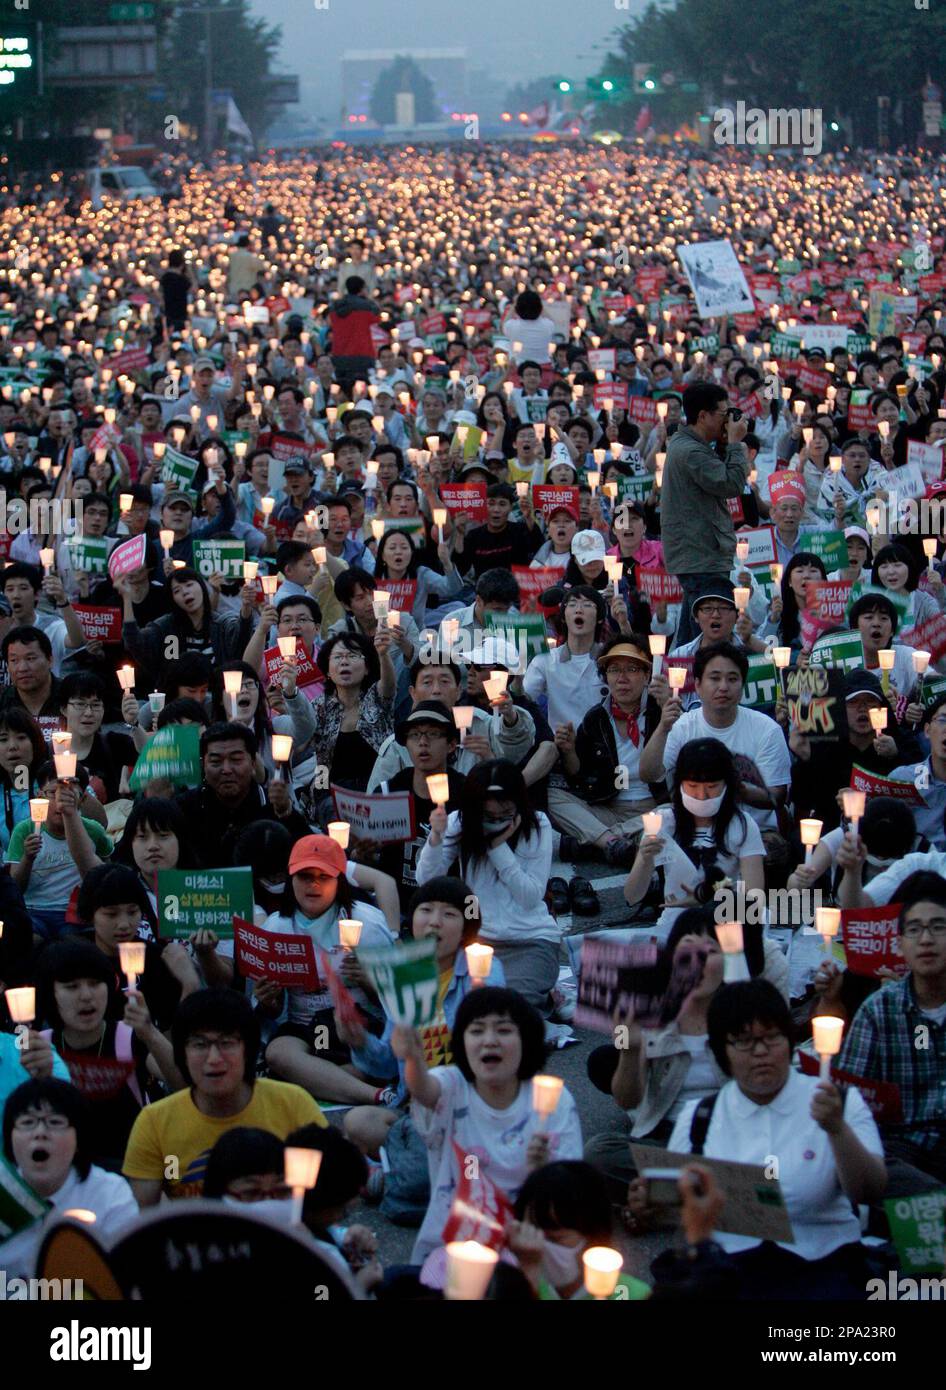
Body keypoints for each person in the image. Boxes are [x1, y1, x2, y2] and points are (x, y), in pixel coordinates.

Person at [628, 979, 887, 1300]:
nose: (761, 1051)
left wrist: (837, 1130)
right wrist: (650, 1205)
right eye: (744, 1041)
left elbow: (871, 1189)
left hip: (823, 1264)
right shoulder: (700, 1118)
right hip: (728, 1269)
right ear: (722, 1051)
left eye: (772, 1037)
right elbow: (683, 1208)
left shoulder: (837, 1103)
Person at [393, 985, 582, 1265]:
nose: (489, 1040)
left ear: (526, 1040)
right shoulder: (453, 1086)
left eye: (504, 1031)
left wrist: (544, 1172)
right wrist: (412, 1057)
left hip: (532, 1243)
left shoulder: (554, 1099)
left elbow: (570, 1190)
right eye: (477, 1030)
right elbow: (425, 1090)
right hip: (457, 1244)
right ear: (462, 1041)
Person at [122, 988, 327, 1204]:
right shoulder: (154, 1122)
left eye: (226, 1043)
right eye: (200, 1045)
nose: (214, 1058)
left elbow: (328, 1190)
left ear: (248, 1050)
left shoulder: (292, 1103)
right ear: (182, 1053)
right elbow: (145, 1215)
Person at [259, 834, 397, 1106]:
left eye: (324, 877)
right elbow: (272, 1011)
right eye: (305, 876)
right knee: (278, 1053)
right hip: (303, 1025)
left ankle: (334, 1084)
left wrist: (369, 981)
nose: (314, 885)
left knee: (359, 1066)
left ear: (340, 881)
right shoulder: (276, 927)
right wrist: (268, 999)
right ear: (291, 879)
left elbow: (397, 1002)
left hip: (357, 1024)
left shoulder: (368, 925)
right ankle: (372, 1093)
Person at [417, 759, 560, 1014]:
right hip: (477, 941)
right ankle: (548, 999)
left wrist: (496, 847)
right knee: (456, 1009)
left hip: (530, 941)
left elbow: (530, 896)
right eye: (489, 816)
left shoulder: (537, 825)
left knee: (506, 1012)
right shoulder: (460, 824)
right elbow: (427, 881)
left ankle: (542, 997)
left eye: (505, 815)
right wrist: (436, 837)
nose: (497, 821)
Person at [837, 872, 946, 1195]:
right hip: (901, 1148)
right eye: (914, 930)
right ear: (899, 945)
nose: (926, 939)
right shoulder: (878, 1010)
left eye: (938, 928)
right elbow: (850, 1104)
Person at [36, 939, 182, 1167]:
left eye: (95, 983)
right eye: (71, 987)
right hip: (68, 1175)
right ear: (50, 993)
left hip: (136, 1171)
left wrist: (151, 1034)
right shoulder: (40, 1049)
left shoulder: (129, 1037)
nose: (86, 996)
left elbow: (184, 1082)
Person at [641, 641, 790, 832]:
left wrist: (728, 785)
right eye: (715, 678)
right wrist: (663, 728)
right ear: (697, 684)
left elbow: (776, 797)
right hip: (694, 827)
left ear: (743, 685)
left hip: (755, 830)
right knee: (654, 830)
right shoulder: (682, 726)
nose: (724, 687)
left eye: (732, 679)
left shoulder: (767, 730)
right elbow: (649, 774)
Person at [0, 1078, 138, 1277]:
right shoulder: (3, 1189)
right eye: (27, 1123)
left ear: (79, 1137)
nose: (40, 1133)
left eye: (55, 1122)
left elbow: (126, 1274)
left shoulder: (111, 1194)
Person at [661, 383, 749, 646]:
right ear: (703, 416)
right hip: (700, 556)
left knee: (693, 629)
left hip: (700, 552)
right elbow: (731, 484)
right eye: (723, 414)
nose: (728, 419)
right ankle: (685, 678)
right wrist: (735, 444)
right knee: (703, 633)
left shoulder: (690, 444)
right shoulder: (691, 452)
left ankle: (681, 677)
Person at [508, 1161, 651, 1301]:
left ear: (592, 1235)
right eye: (529, 1234)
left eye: (555, 1239)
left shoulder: (627, 1293)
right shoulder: (504, 1285)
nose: (536, 1247)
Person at [174, 723, 310, 868]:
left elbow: (308, 853)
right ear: (203, 766)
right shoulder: (183, 808)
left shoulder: (273, 806)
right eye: (215, 762)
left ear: (253, 764)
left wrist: (286, 813)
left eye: (236, 760)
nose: (226, 769)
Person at [6, 764, 112, 942]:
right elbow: (15, 887)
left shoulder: (92, 831)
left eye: (69, 795)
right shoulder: (25, 830)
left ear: (83, 799)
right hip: (33, 911)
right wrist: (27, 858)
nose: (59, 802)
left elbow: (107, 875)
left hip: (74, 914)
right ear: (40, 796)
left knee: (73, 944)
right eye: (52, 793)